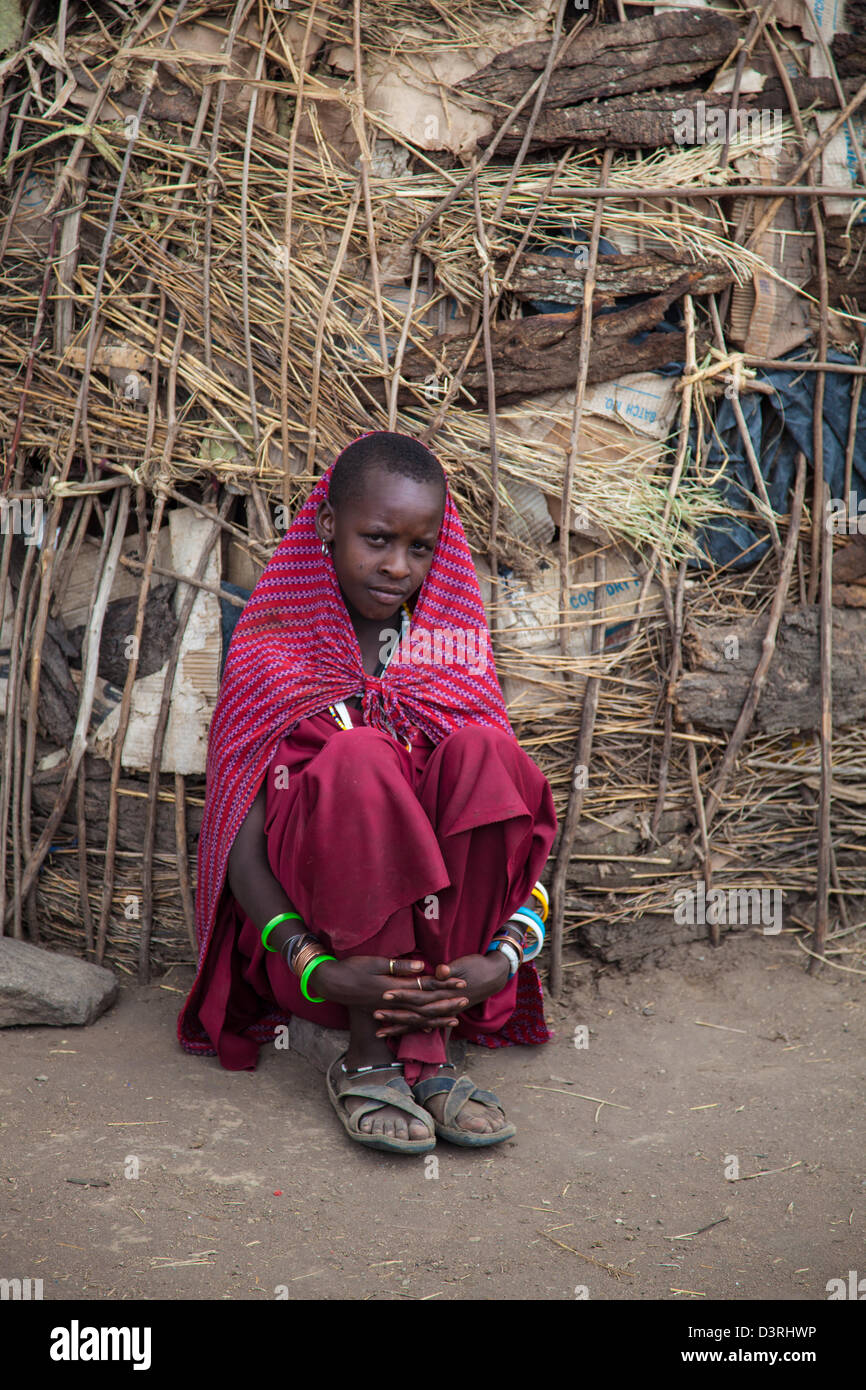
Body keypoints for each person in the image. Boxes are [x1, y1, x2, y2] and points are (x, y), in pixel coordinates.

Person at [178, 431, 557, 1154]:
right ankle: (371, 1054)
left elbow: (520, 836)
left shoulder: (450, 657)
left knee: (488, 751)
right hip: (323, 969)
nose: (397, 566)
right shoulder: (273, 653)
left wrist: (502, 959)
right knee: (358, 757)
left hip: (454, 970)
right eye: (377, 539)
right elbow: (239, 841)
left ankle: (431, 1039)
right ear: (327, 525)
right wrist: (314, 962)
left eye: (420, 548)